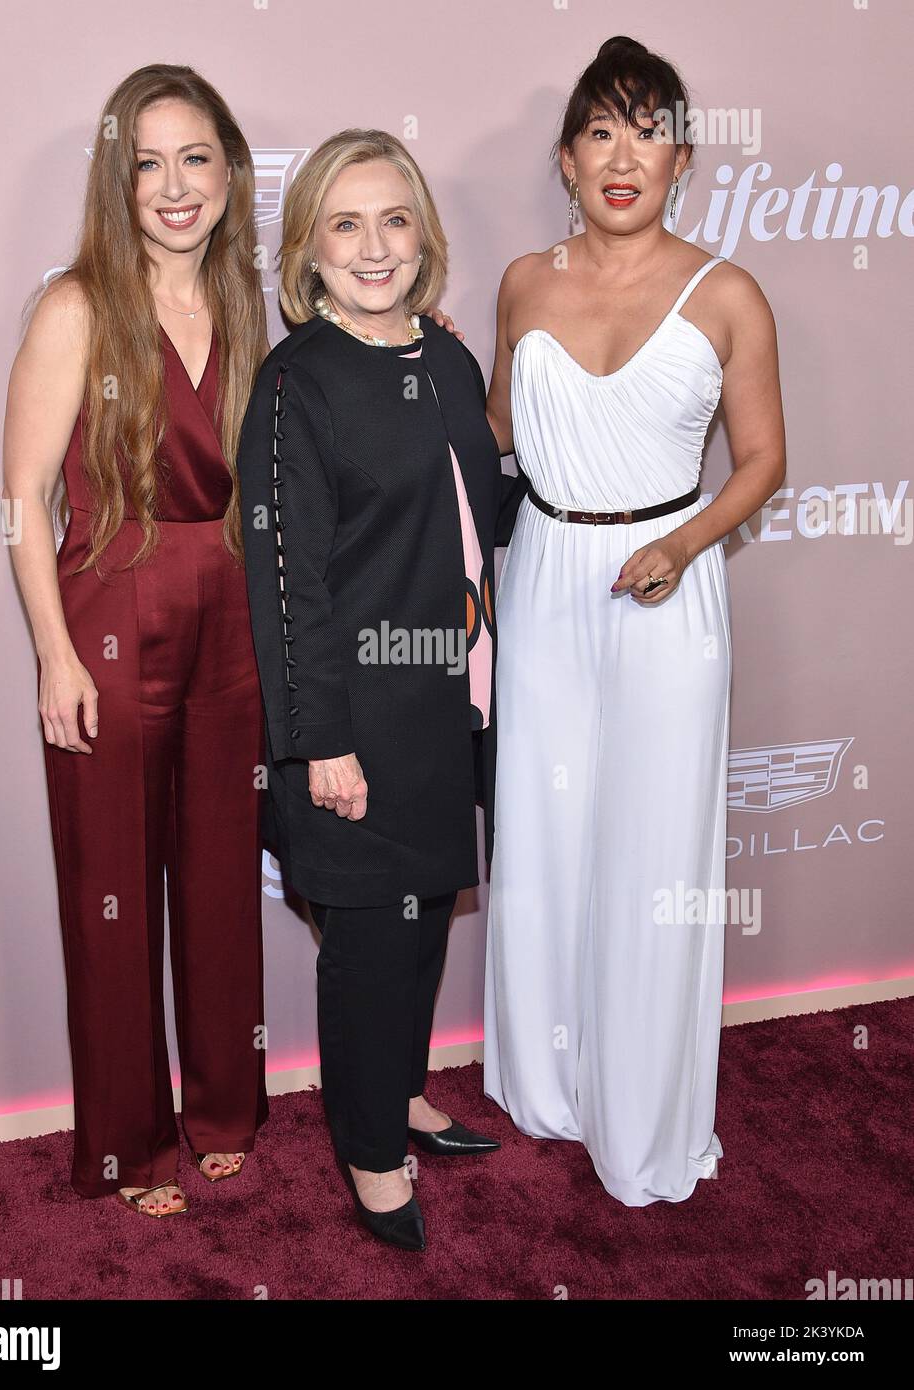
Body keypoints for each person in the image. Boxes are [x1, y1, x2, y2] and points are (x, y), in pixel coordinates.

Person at [483, 36, 786, 1206]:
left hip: (668, 578)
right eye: (601, 131)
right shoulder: (522, 281)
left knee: (656, 847)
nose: (624, 154)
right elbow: (498, 432)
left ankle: (646, 1120)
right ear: (567, 159)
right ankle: (551, 1086)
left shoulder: (729, 292)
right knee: (549, 836)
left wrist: (680, 545)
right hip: (546, 574)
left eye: (648, 129)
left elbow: (762, 462)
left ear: (684, 157)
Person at [237, 129, 519, 1251]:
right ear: (307, 248)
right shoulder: (297, 381)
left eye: (393, 218)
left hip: (449, 705)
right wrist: (321, 744)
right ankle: (368, 1149)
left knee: (423, 925)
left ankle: (399, 1093)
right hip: (355, 717)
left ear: (423, 235)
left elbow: (474, 511)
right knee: (365, 944)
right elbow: (287, 579)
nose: (373, 245)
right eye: (345, 223)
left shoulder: (444, 358)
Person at [3, 66, 271, 1216]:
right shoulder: (76, 304)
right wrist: (55, 655)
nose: (174, 185)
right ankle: (128, 1146)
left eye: (195, 158)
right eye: (148, 162)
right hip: (109, 608)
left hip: (235, 612)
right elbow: (21, 498)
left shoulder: (255, 303)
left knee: (220, 877)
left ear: (229, 173)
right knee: (112, 886)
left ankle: (221, 1107)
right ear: (121, 178)